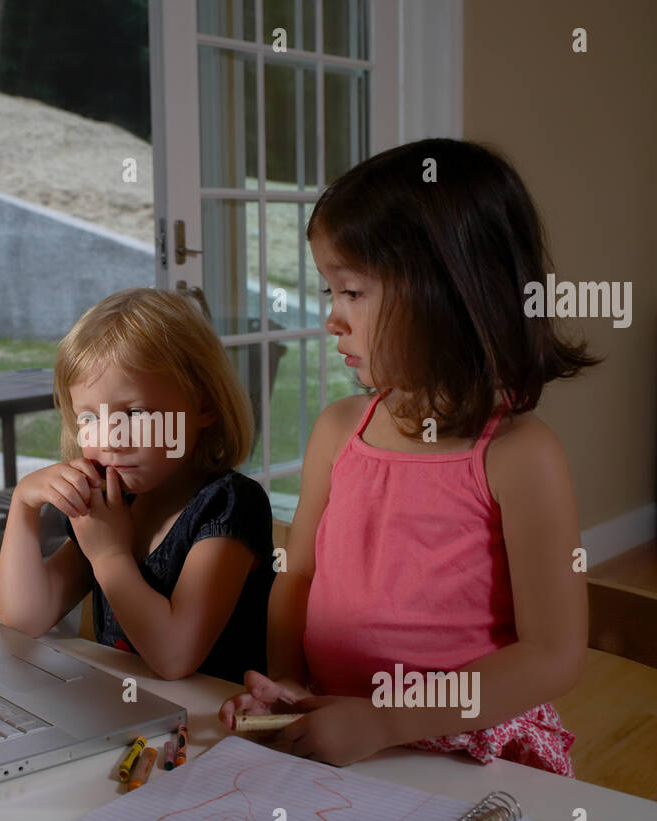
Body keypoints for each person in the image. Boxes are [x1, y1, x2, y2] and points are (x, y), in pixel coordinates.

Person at [220, 138, 603, 775]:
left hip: (464, 748)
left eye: (354, 292)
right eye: (328, 291)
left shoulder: (518, 456)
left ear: (449, 294)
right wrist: (287, 687)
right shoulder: (338, 430)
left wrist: (385, 719)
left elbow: (553, 653)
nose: (332, 320)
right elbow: (299, 578)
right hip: (339, 729)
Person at [0, 287, 275, 683]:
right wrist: (23, 504)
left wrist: (109, 555)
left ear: (205, 406)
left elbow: (175, 658)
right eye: (90, 417)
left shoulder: (229, 506)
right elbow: (24, 619)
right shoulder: (114, 503)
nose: (110, 438)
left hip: (216, 729)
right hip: (131, 719)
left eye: (136, 412)